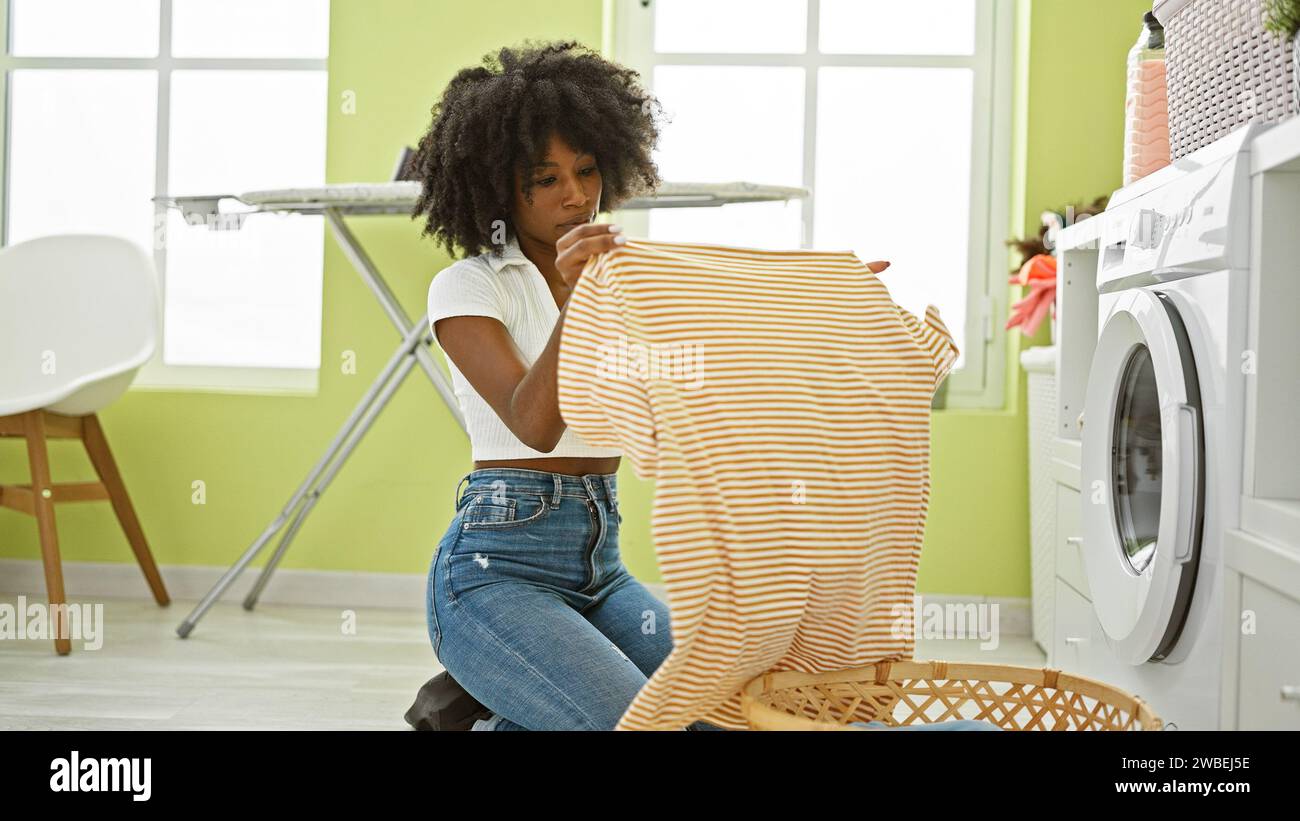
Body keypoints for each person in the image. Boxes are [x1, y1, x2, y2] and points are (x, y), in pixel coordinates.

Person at [407, 39, 721, 731]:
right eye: (545, 179)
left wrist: (824, 301)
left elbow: (689, 404)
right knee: (635, 727)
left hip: (603, 569)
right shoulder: (469, 286)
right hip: (495, 570)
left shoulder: (630, 285)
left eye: (586, 171)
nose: (576, 195)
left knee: (741, 711)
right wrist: (583, 298)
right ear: (499, 187)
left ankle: (500, 709)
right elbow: (534, 421)